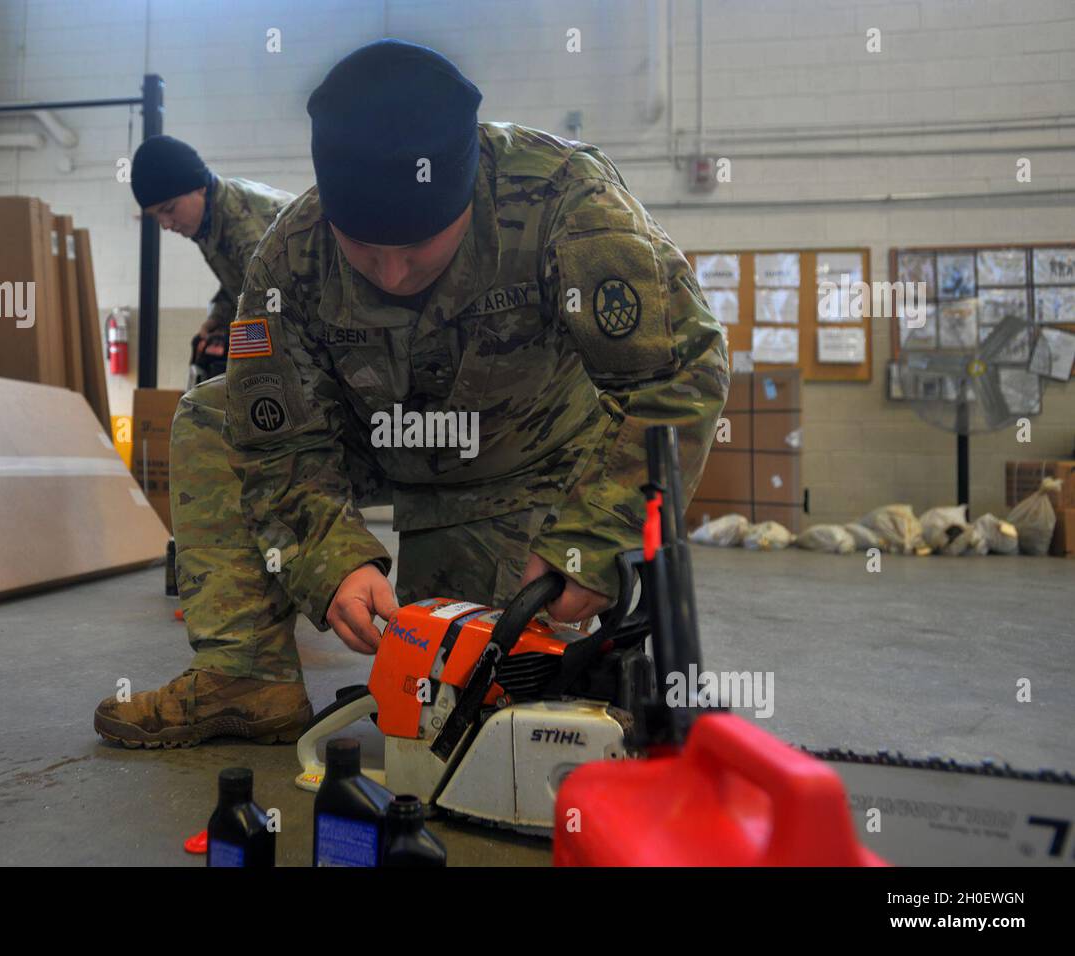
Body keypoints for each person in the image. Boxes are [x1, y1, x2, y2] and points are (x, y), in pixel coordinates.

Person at [94, 39, 728, 749]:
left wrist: (590, 539)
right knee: (213, 415)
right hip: (381, 441)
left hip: (525, 460)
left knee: (467, 709)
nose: (393, 275)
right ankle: (245, 678)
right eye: (365, 253)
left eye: (420, 249)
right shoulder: (287, 256)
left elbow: (676, 373)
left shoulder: (565, 203)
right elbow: (278, 438)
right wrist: (330, 558)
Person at [130, 135, 294, 372]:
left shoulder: (245, 227)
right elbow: (242, 285)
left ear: (199, 187)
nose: (165, 224)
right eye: (156, 217)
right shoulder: (209, 220)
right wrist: (217, 320)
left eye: (169, 209)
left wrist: (236, 341)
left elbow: (278, 310)